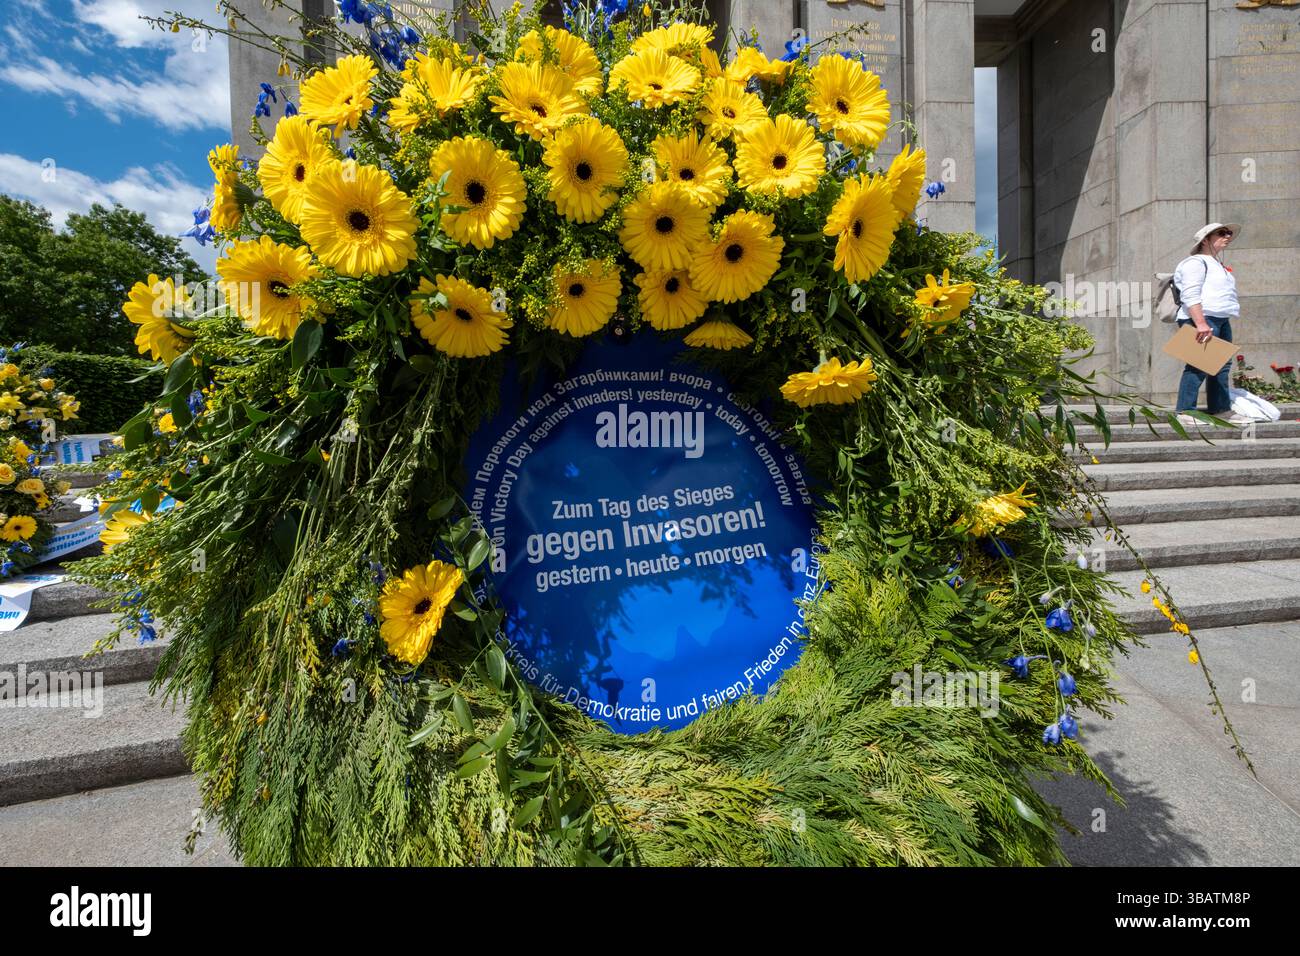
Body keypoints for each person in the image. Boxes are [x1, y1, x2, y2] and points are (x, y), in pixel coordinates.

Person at [1173, 222, 1252, 426]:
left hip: (1220, 318)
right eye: (1221, 233)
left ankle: (1220, 409)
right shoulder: (1195, 263)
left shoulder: (1216, 264)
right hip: (1202, 318)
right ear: (1205, 239)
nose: (1228, 236)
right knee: (1198, 364)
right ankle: (1185, 410)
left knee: (1221, 366)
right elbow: (1190, 293)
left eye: (1229, 233)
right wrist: (1200, 323)